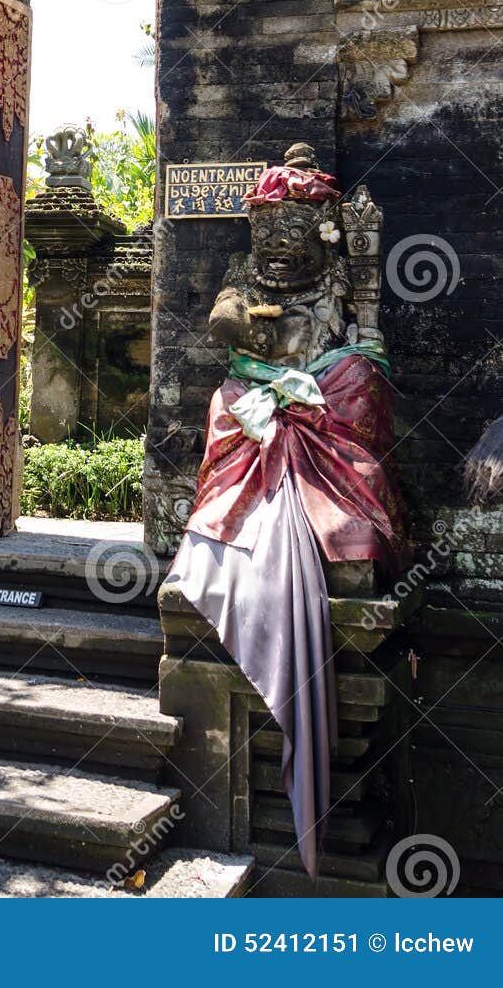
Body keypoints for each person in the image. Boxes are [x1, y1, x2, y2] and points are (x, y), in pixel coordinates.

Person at [164, 144, 407, 878]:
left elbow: (367, 345)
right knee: (226, 400)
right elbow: (225, 332)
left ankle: (335, 506)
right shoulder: (245, 277)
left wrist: (318, 378)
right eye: (265, 224)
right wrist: (247, 336)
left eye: (291, 224)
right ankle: (235, 516)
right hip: (263, 387)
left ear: (321, 228)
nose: (276, 239)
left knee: (361, 377)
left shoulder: (342, 273)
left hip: (324, 392)